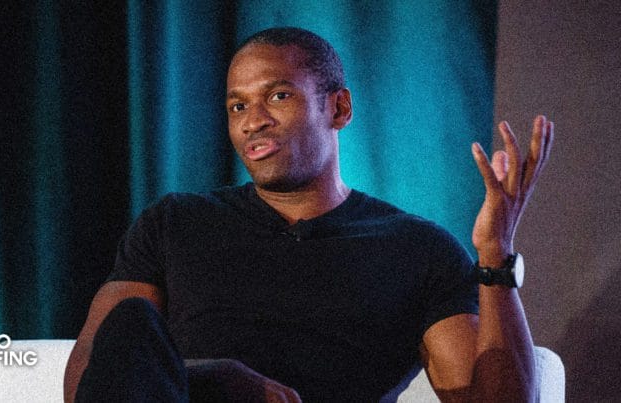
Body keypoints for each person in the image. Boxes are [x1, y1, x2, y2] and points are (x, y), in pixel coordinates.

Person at [64, 27, 553, 402]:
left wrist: (495, 254)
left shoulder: (417, 249)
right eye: (237, 106)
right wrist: (215, 379)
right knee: (129, 322)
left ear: (338, 108)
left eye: (278, 96)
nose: (253, 122)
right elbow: (95, 374)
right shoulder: (175, 223)